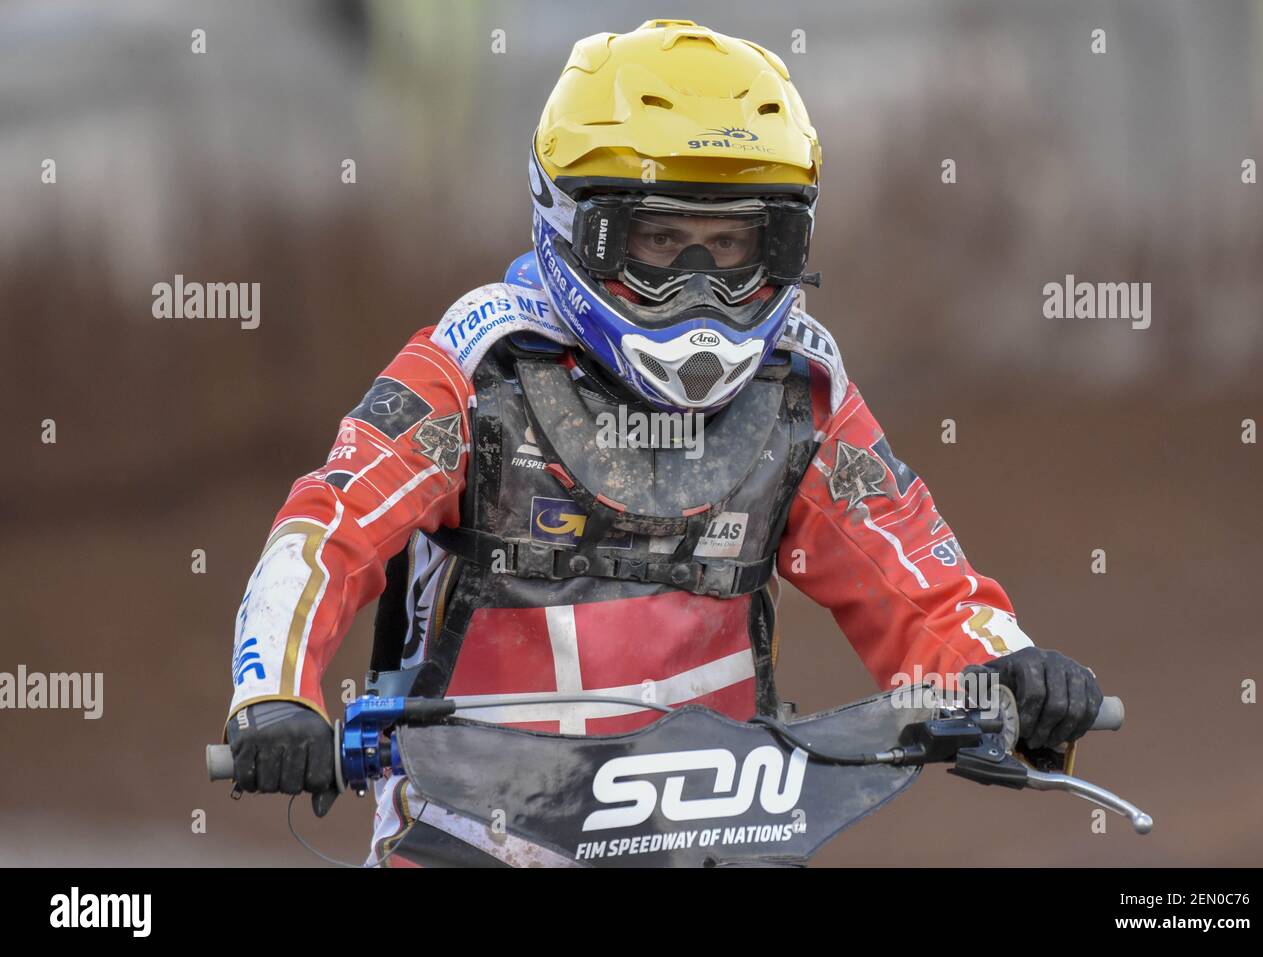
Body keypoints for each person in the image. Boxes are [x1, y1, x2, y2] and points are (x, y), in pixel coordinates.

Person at [223, 19, 1102, 867]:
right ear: (575, 224)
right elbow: (325, 529)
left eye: (732, 246)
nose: (701, 287)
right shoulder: (475, 370)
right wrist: (275, 696)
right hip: (468, 838)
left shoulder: (800, 392)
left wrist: (1008, 668)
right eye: (660, 242)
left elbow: (916, 576)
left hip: (715, 840)